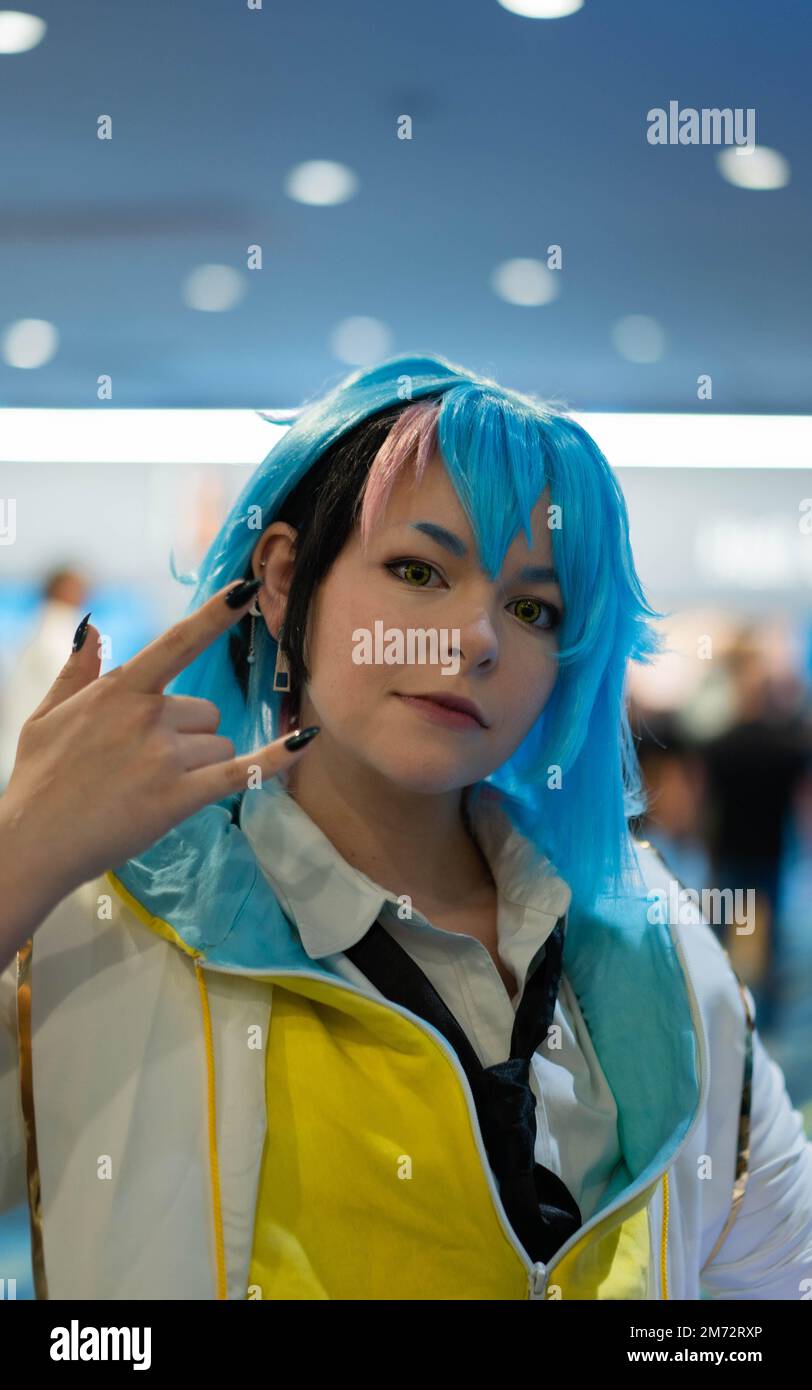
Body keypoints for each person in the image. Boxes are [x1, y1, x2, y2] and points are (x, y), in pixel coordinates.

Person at [1, 352, 811, 1301]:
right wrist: (17, 854)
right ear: (282, 576)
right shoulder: (105, 922)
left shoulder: (654, 946)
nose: (477, 638)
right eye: (419, 569)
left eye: (532, 607)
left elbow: (772, 1285)